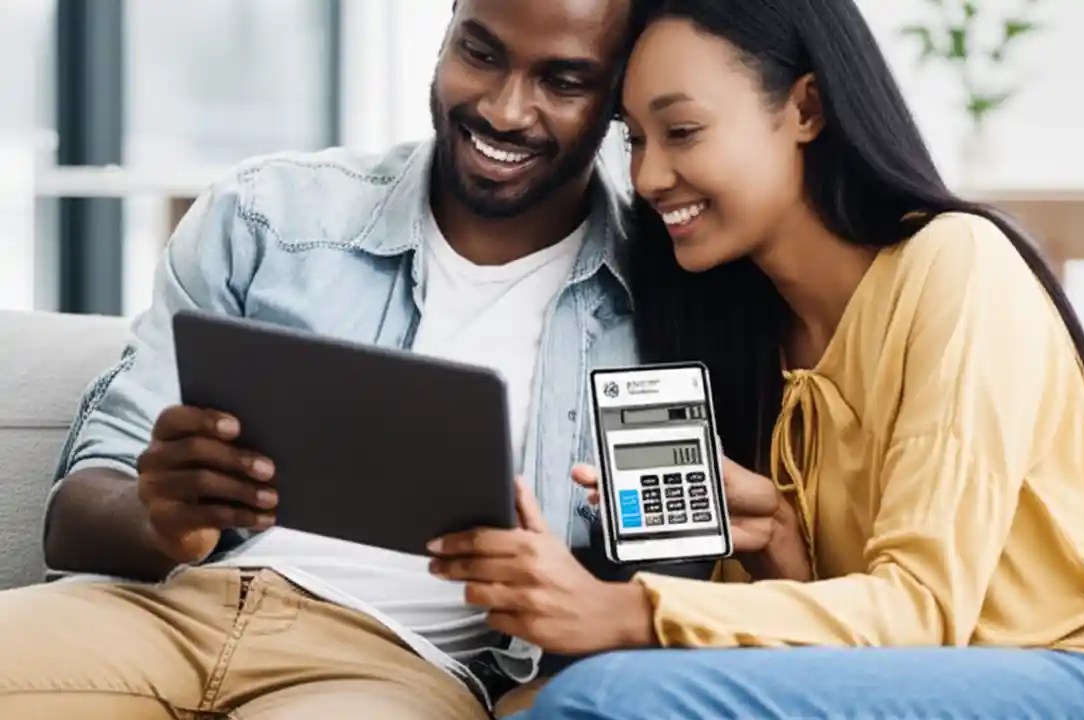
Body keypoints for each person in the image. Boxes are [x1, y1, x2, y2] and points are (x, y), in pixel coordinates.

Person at [424, 0, 1084, 718]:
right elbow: (855, 661)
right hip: (956, 679)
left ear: (806, 108)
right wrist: (783, 550)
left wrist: (627, 612)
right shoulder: (746, 337)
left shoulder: (955, 263)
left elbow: (923, 611)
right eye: (635, 139)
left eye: (682, 131)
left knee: (606, 699)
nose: (647, 177)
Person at [0, 0, 654, 717]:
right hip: (164, 615)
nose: (503, 110)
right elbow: (75, 517)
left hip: (391, 665)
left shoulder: (657, 308)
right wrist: (160, 520)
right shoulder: (268, 216)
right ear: (445, 36)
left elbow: (663, 598)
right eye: (481, 53)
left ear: (619, 98)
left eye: (563, 82)